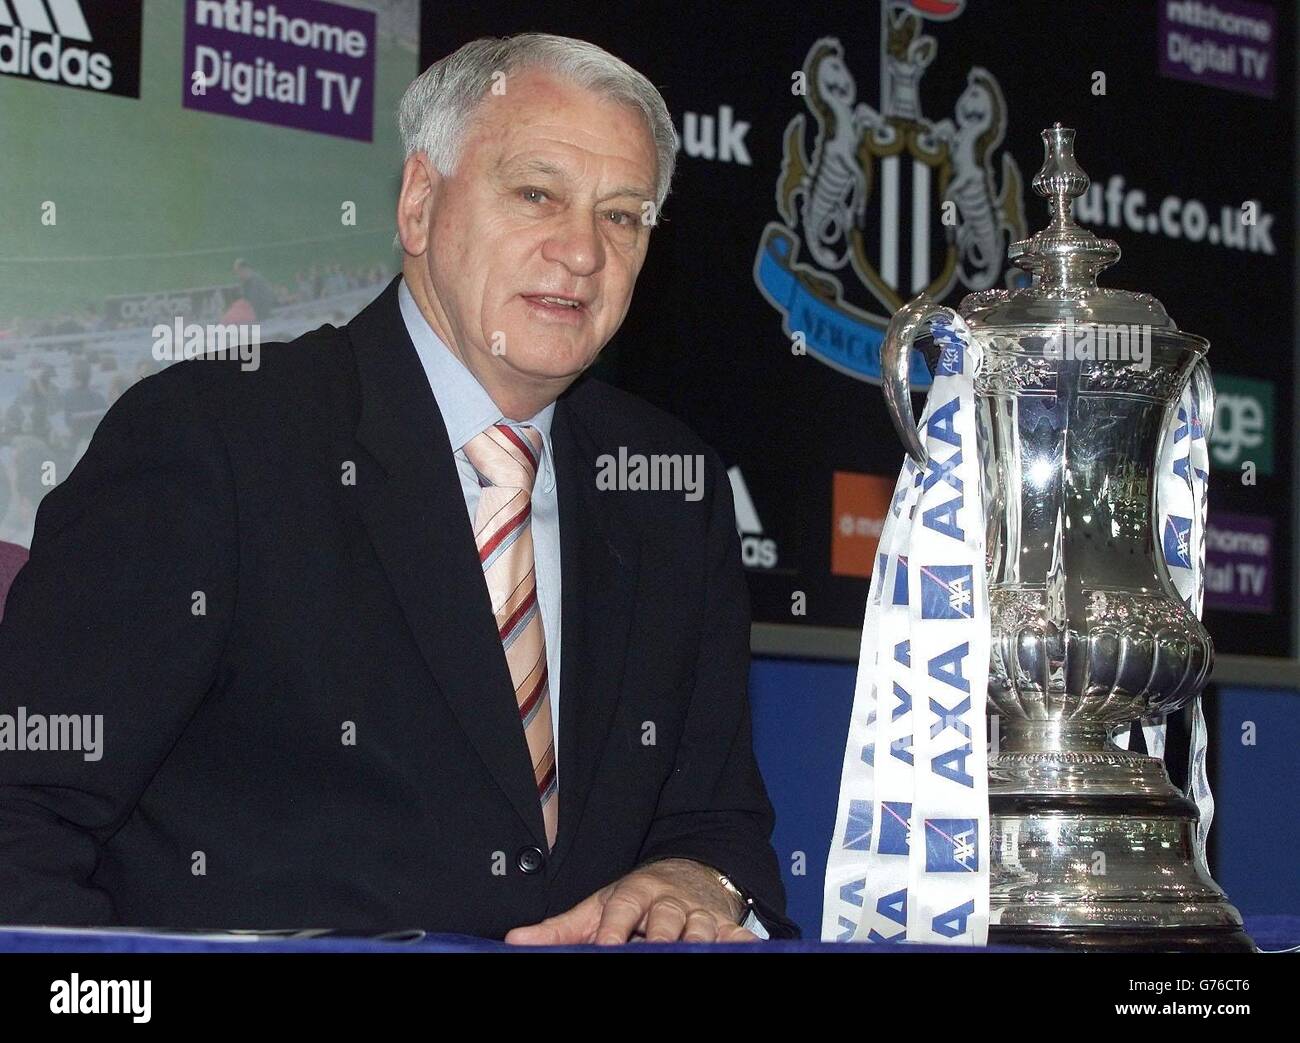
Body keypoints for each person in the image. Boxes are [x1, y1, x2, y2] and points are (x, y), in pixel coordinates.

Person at [0, 33, 795, 943]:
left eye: (622, 215)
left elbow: (719, 823)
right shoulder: (215, 439)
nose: (582, 250)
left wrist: (699, 879)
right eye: (537, 193)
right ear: (419, 204)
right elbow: (23, 810)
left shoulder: (672, 489)